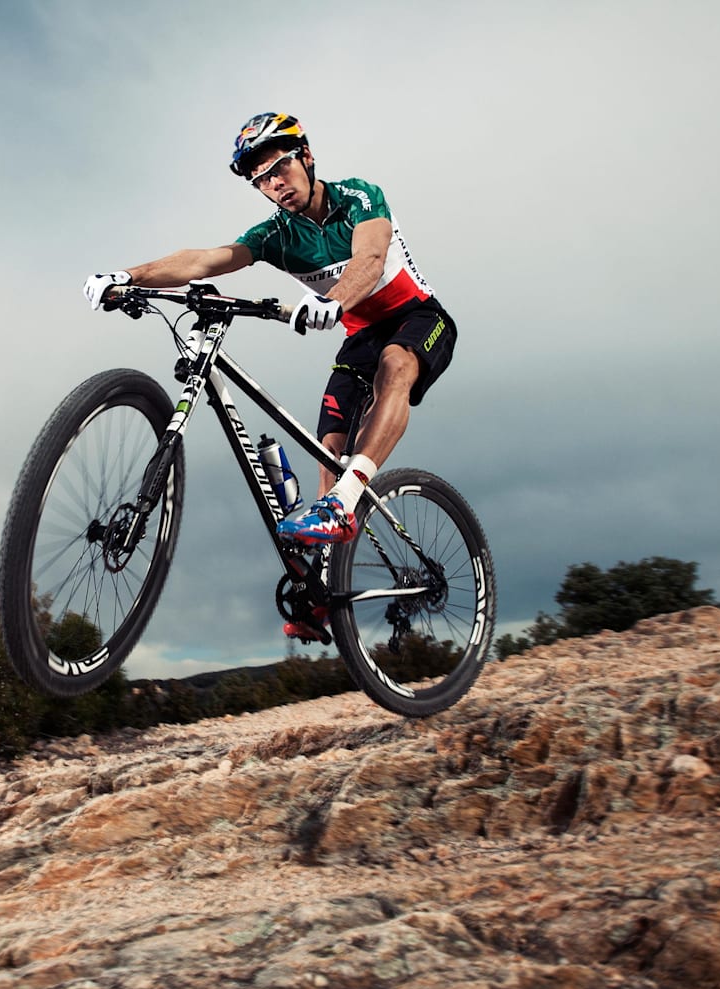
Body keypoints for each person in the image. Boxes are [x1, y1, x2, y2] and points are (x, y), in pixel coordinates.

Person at [83, 111, 458, 642]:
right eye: (260, 179)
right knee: (328, 446)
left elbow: (371, 259)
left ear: (306, 157)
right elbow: (207, 260)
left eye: (278, 167)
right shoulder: (277, 235)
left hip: (419, 318)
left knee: (396, 366)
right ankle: (327, 585)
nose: (273, 184)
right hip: (359, 338)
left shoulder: (359, 197)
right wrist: (128, 276)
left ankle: (347, 498)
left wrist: (333, 300)